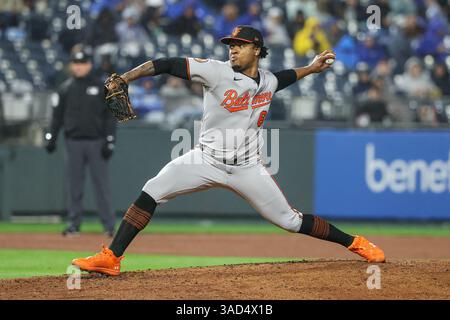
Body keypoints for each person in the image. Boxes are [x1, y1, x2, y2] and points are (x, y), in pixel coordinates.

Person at [72, 25, 385, 276]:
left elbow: (284, 78)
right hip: (204, 159)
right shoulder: (216, 71)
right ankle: (111, 257)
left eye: (240, 44)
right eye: (231, 44)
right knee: (151, 190)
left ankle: (354, 243)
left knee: (290, 221)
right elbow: (167, 64)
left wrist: (311, 68)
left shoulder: (269, 81)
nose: (232, 49)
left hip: (247, 167)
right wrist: (126, 77)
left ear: (258, 50)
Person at [45, 47, 117, 237]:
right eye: (76, 63)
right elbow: (56, 117)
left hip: (96, 141)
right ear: (71, 65)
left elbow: (110, 117)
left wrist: (110, 140)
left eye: (82, 63)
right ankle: (74, 224)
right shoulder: (65, 88)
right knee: (74, 185)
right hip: (73, 141)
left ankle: (109, 226)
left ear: (89, 64)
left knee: (101, 185)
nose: (79, 67)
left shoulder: (101, 86)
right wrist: (52, 136)